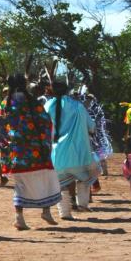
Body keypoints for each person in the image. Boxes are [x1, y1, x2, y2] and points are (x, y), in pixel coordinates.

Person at [0, 73, 60, 230]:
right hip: (36, 152)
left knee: (20, 184)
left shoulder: (5, 103)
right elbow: (46, 121)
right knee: (46, 179)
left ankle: (19, 217)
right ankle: (46, 211)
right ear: (24, 84)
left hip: (15, 153)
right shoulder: (32, 102)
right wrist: (46, 141)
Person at [44, 78, 97, 218]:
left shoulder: (48, 105)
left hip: (57, 154)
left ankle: (65, 213)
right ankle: (83, 204)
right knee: (88, 175)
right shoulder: (78, 106)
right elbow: (92, 127)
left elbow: (43, 129)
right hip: (79, 154)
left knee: (61, 184)